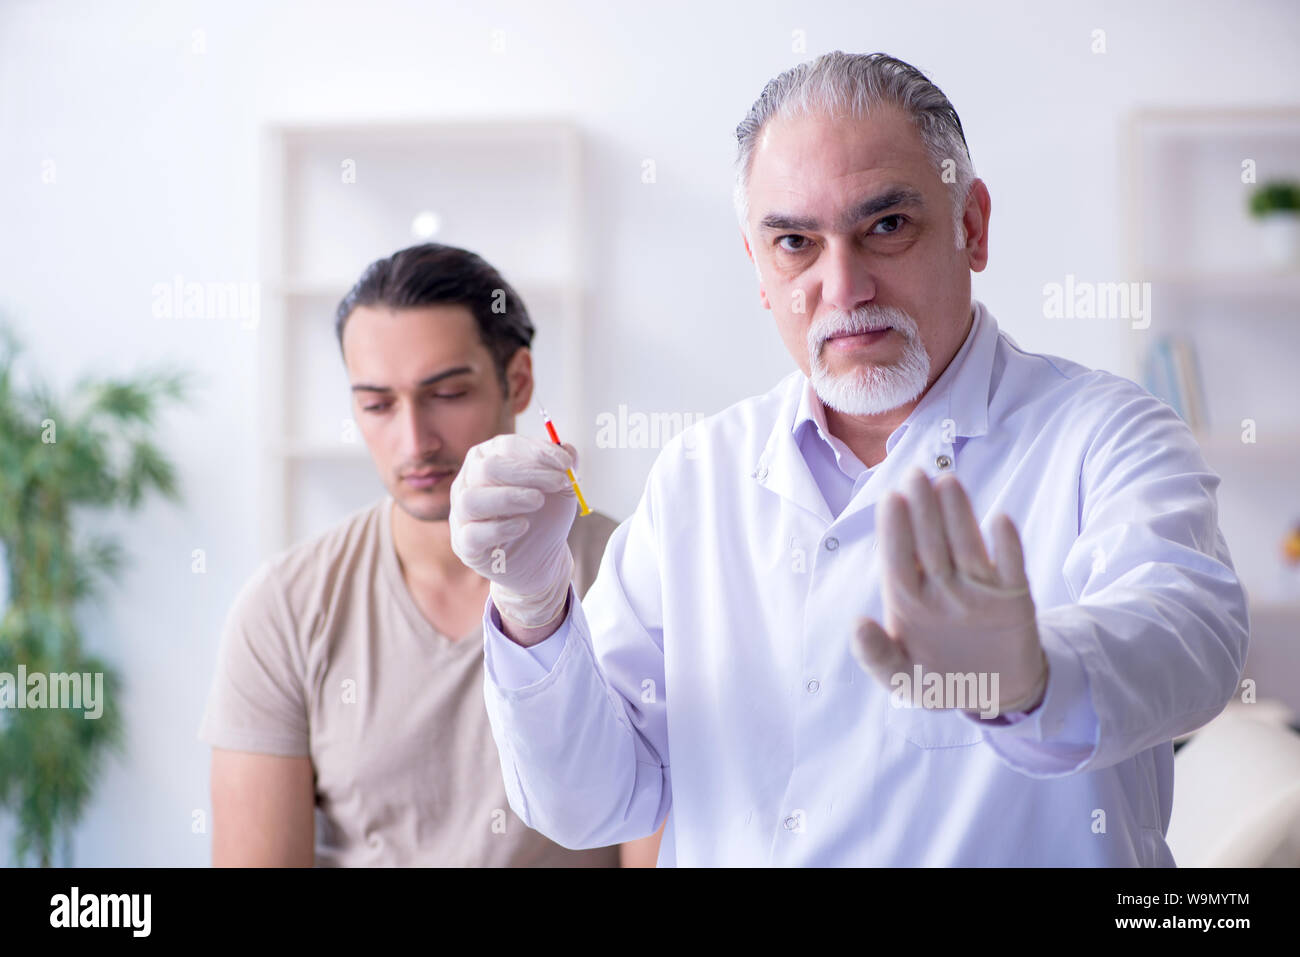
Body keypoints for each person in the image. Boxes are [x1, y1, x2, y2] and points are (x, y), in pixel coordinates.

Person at [447, 52, 1250, 866]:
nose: (845, 286)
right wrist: (532, 601)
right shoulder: (700, 474)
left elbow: (1192, 639)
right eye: (795, 241)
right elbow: (589, 802)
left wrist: (1033, 676)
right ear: (759, 268)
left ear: (972, 226)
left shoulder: (1105, 434)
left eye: (887, 226)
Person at [198, 242, 649, 866]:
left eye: (447, 394)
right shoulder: (286, 606)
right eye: (378, 404)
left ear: (517, 381)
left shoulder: (634, 577)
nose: (415, 441)